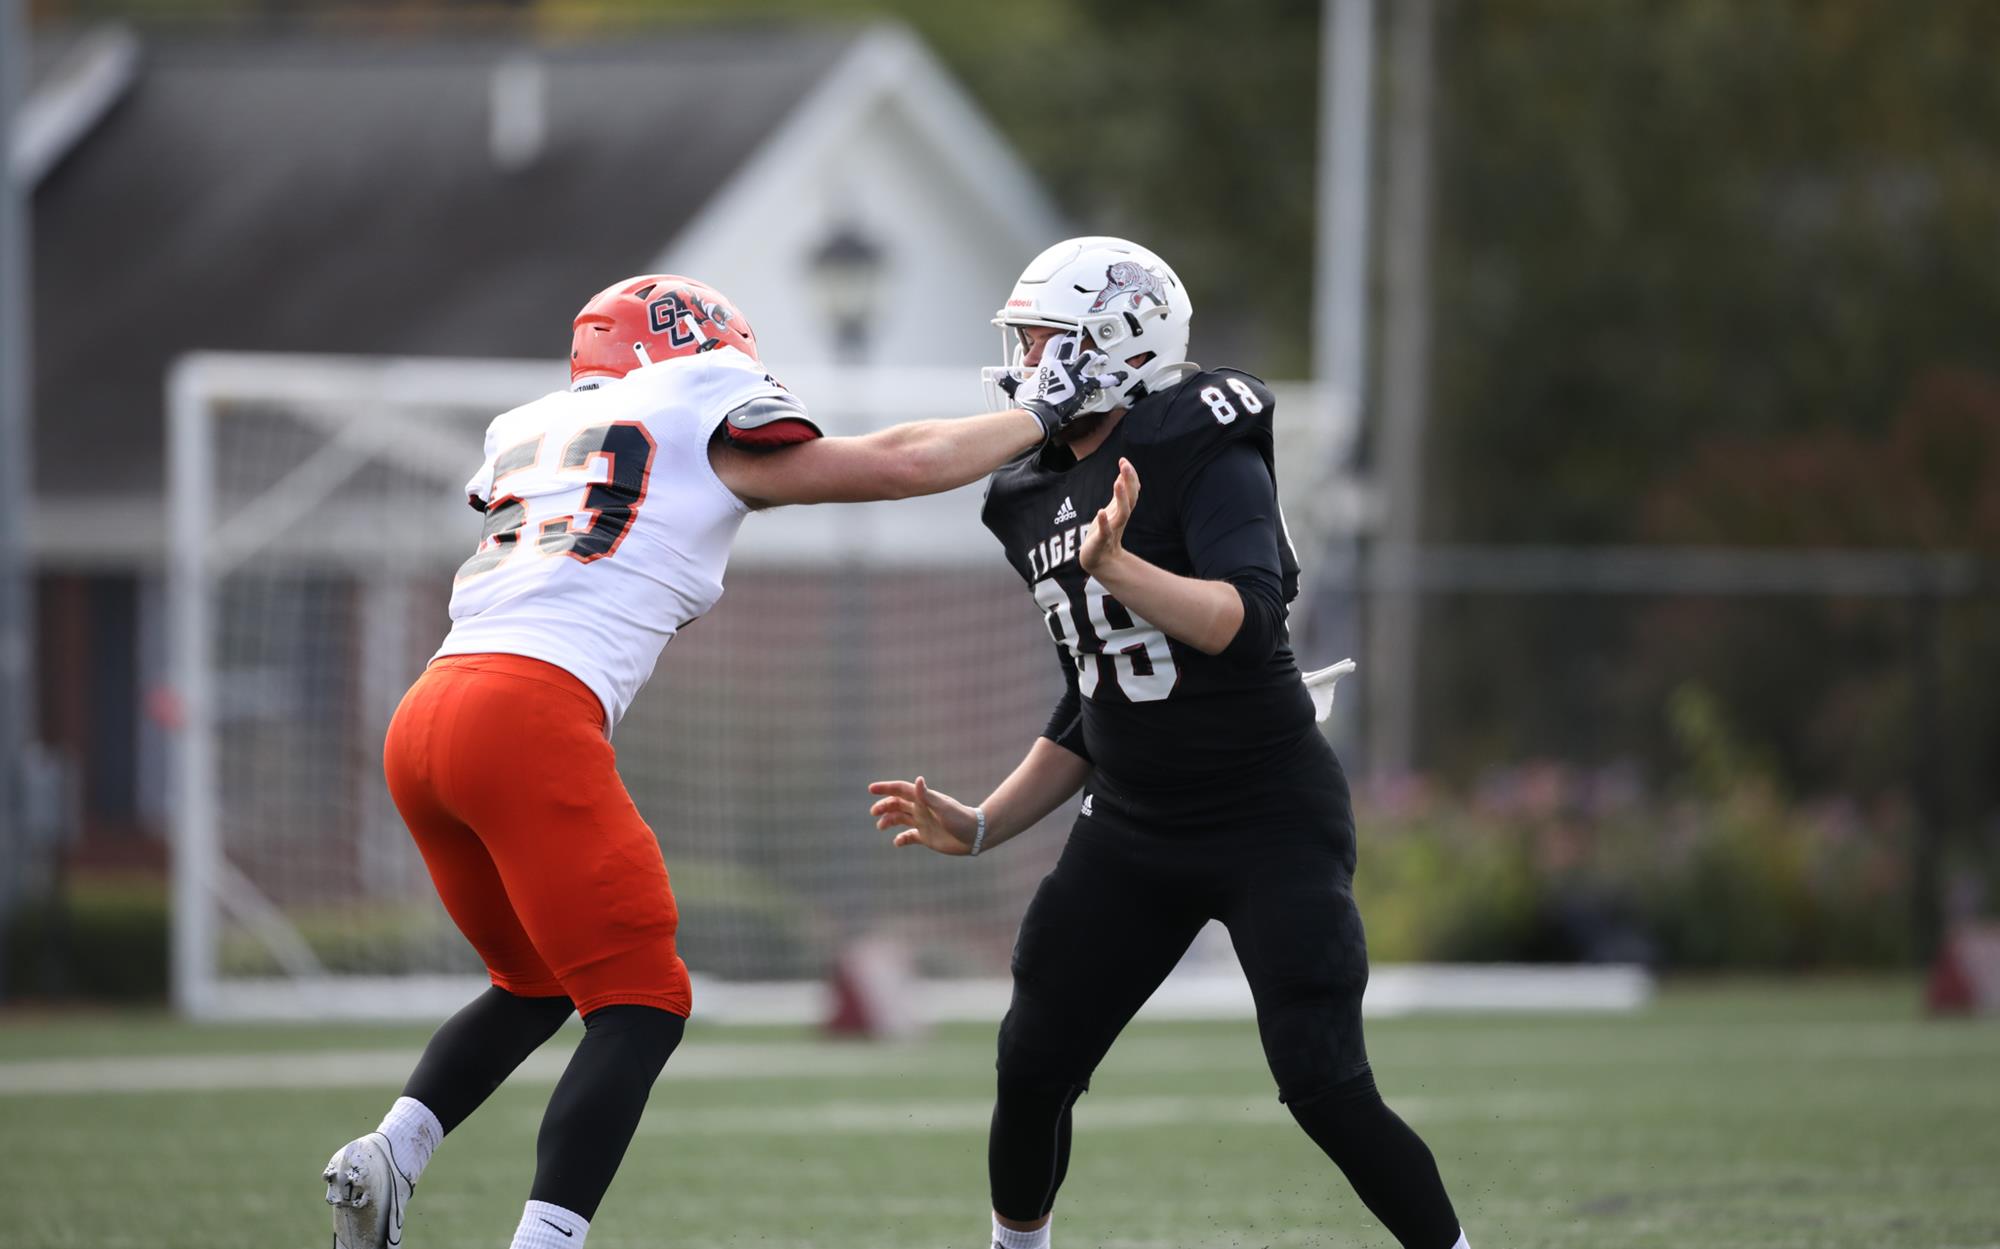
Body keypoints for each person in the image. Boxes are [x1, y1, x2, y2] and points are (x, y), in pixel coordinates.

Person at [320, 273, 1112, 1249]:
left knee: (534, 979)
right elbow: (900, 461)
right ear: (702, 350)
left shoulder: (523, 428)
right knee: (643, 1000)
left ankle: (391, 1153)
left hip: (430, 712)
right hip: (528, 711)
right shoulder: (701, 400)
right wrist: (1037, 414)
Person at [869, 237, 1471, 1249]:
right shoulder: (1025, 494)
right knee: (1030, 1064)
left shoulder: (1201, 437)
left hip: (1266, 814)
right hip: (1134, 829)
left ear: (1117, 341)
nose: (1023, 360)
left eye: (1045, 339)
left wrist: (1121, 569)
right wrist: (980, 823)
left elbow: (1245, 617)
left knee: (1323, 1083)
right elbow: (1091, 695)